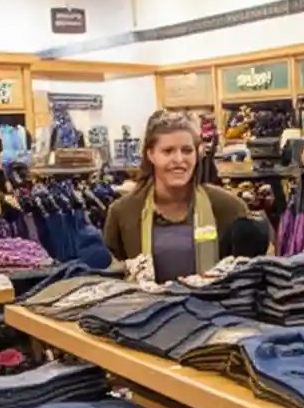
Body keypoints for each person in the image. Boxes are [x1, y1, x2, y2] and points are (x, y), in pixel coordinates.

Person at [103, 111, 253, 282]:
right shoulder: (124, 213)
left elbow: (248, 274)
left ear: (197, 154)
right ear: (150, 154)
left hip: (213, 306)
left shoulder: (229, 208)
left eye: (187, 151)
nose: (179, 159)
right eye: (168, 151)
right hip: (147, 307)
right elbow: (111, 277)